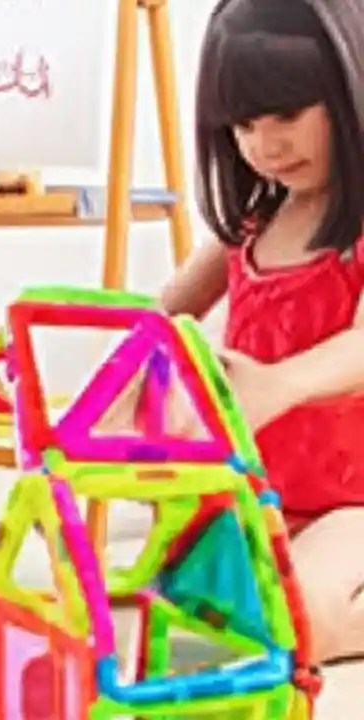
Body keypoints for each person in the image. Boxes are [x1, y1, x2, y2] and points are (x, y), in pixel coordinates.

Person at [157, 0, 364, 663]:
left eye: (287, 115)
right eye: (243, 124)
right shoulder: (250, 226)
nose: (264, 146)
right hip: (261, 493)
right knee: (183, 605)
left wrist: (282, 382)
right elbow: (158, 319)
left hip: (352, 501)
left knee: (300, 624)